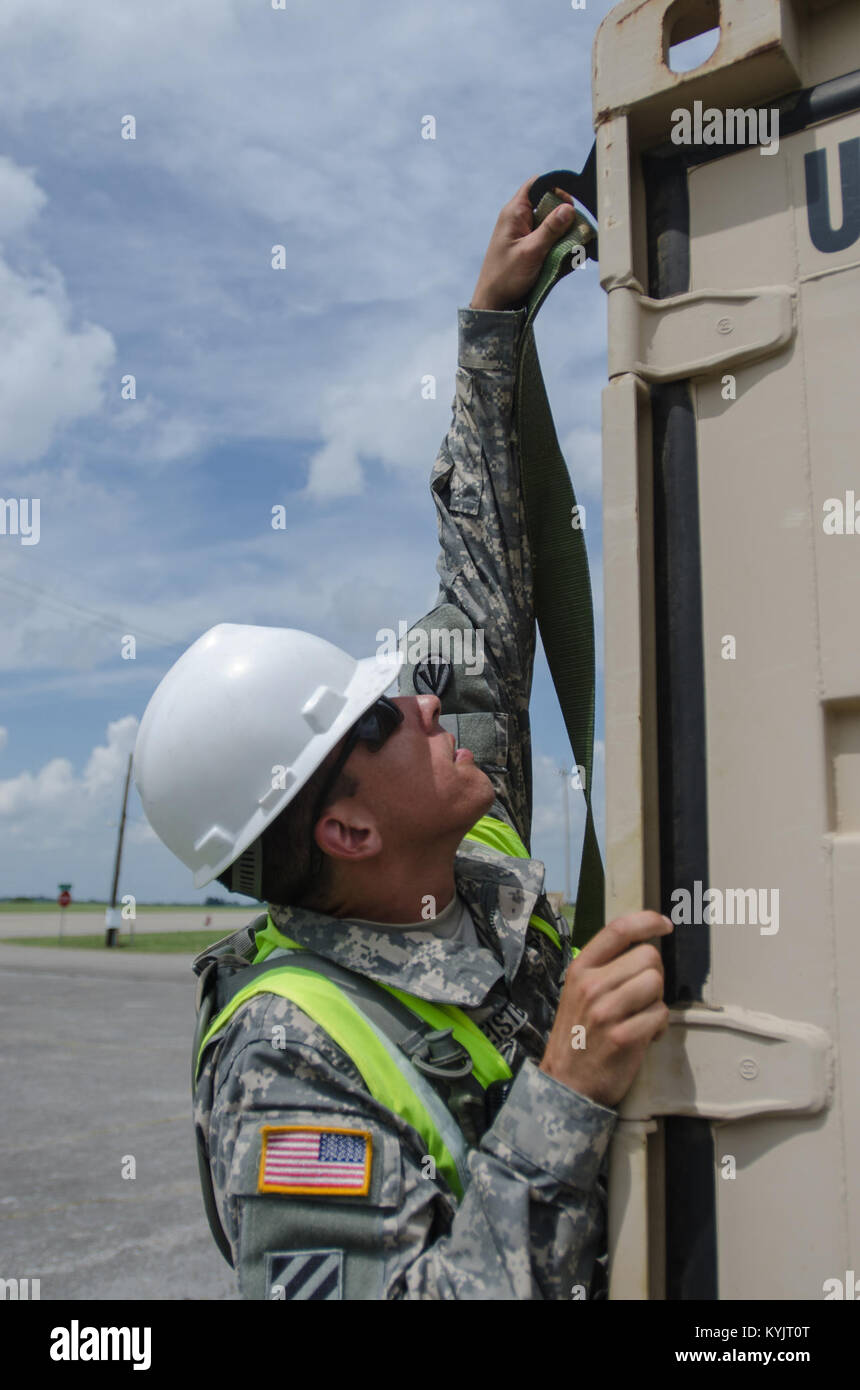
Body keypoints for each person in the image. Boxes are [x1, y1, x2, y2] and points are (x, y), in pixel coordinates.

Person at [134, 175, 672, 1300]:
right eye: (382, 717)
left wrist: (489, 337)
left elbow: (481, 603)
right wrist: (565, 1087)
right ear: (347, 824)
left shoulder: (465, 861)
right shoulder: (284, 1062)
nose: (425, 702)